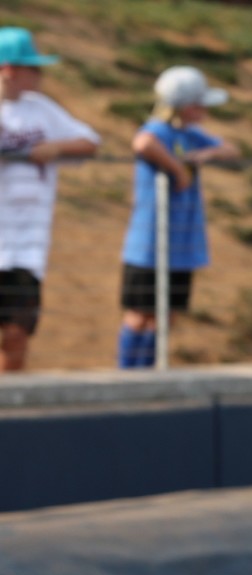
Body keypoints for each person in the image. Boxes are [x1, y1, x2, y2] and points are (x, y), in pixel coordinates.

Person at [117, 65, 240, 369]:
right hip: (149, 244)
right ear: (185, 106)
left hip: (180, 246)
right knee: (140, 313)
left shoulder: (191, 134)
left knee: (166, 314)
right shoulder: (158, 130)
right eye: (199, 104)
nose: (204, 110)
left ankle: (149, 372)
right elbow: (143, 143)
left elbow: (231, 150)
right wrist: (178, 169)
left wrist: (205, 155)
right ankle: (128, 374)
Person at [0, 27, 99, 372]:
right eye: (33, 67)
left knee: (17, 333)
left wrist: (55, 148)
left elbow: (89, 143)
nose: (40, 75)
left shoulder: (41, 109)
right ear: (9, 69)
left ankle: (9, 400)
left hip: (26, 249)